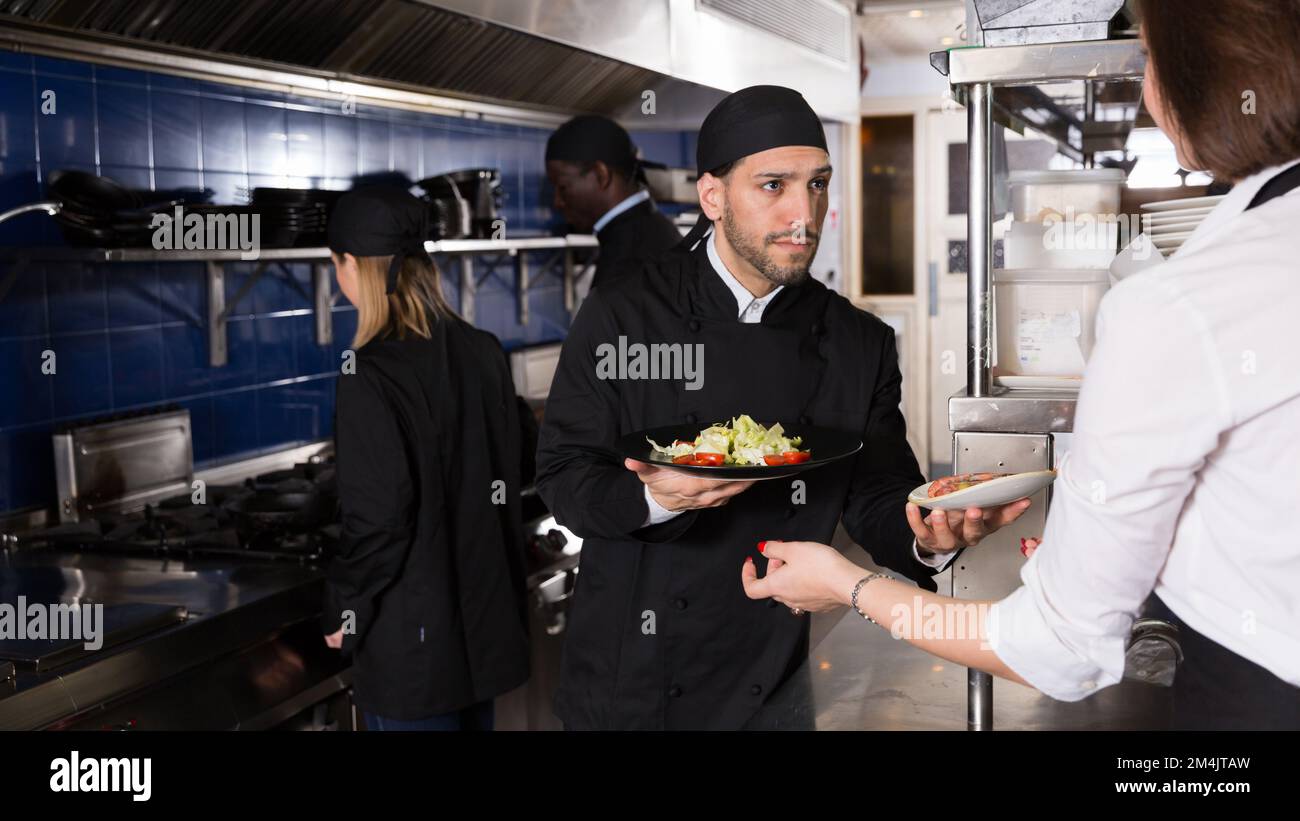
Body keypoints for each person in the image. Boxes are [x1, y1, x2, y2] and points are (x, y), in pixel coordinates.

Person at [740, 0, 1300, 730]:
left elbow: (1057, 647)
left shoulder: (1181, 305)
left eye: (1149, 59)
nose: (1143, 83)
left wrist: (851, 585)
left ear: (1200, 77)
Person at [535, 86, 1029, 730]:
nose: (804, 213)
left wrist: (925, 532)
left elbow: (878, 493)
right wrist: (661, 499)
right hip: (633, 682)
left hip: (769, 677)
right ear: (712, 197)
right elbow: (566, 475)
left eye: (818, 185)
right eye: (774, 185)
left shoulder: (858, 343)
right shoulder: (623, 314)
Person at [320, 187, 530, 731]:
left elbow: (381, 520)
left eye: (336, 261)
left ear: (353, 267)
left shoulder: (367, 373)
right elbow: (522, 460)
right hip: (481, 642)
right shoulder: (482, 349)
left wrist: (345, 606)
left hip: (413, 654)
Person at [545, 115, 682, 290]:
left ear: (601, 174)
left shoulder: (628, 262)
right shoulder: (655, 229)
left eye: (562, 187)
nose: (558, 202)